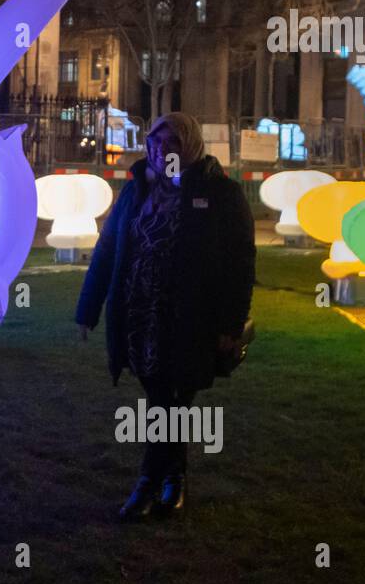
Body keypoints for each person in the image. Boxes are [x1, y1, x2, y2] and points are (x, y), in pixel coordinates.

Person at [76, 112, 255, 521]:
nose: (162, 150)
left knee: (173, 399)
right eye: (156, 142)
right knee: (164, 400)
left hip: (191, 319)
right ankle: (172, 479)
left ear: (190, 145)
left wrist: (231, 325)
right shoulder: (137, 189)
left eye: (172, 142)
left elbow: (240, 263)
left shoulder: (219, 193)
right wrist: (88, 309)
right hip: (142, 315)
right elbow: (108, 251)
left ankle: (149, 483)